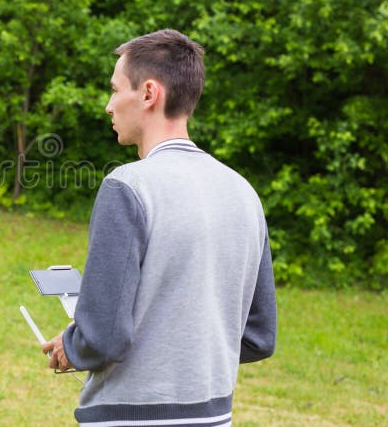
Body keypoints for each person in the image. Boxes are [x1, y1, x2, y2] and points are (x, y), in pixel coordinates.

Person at [42, 29, 277, 426]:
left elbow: (104, 337)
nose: (108, 106)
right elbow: (258, 335)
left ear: (149, 94)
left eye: (116, 90)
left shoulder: (127, 187)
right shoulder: (244, 193)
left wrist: (73, 345)